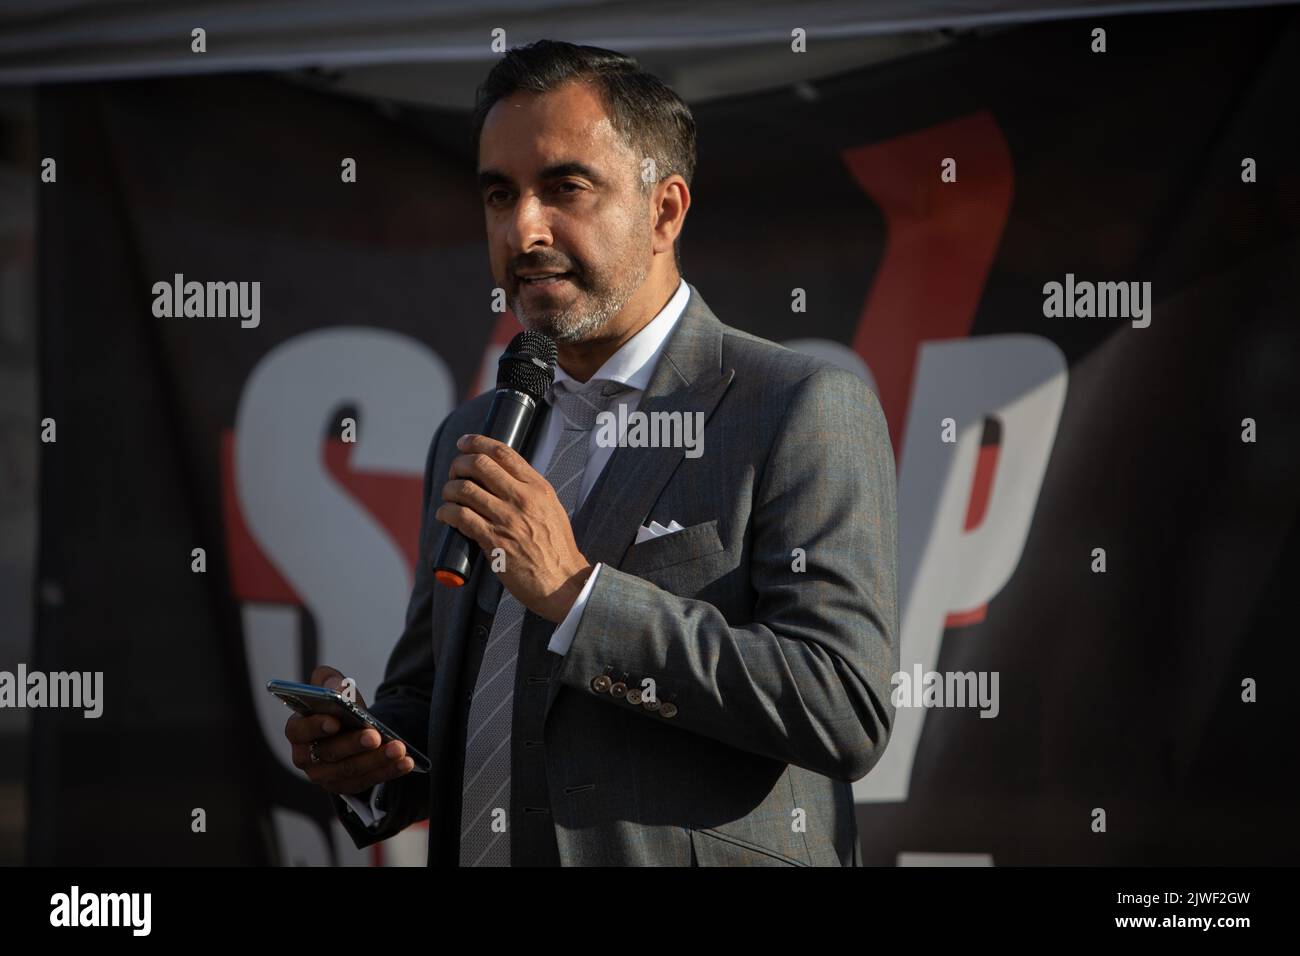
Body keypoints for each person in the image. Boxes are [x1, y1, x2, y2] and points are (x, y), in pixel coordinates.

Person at [283, 38, 898, 866]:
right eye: (500, 195)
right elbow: (447, 702)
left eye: (564, 187)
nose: (523, 226)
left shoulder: (796, 407)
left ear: (665, 211)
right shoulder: (478, 430)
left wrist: (577, 594)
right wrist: (375, 755)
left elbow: (841, 707)